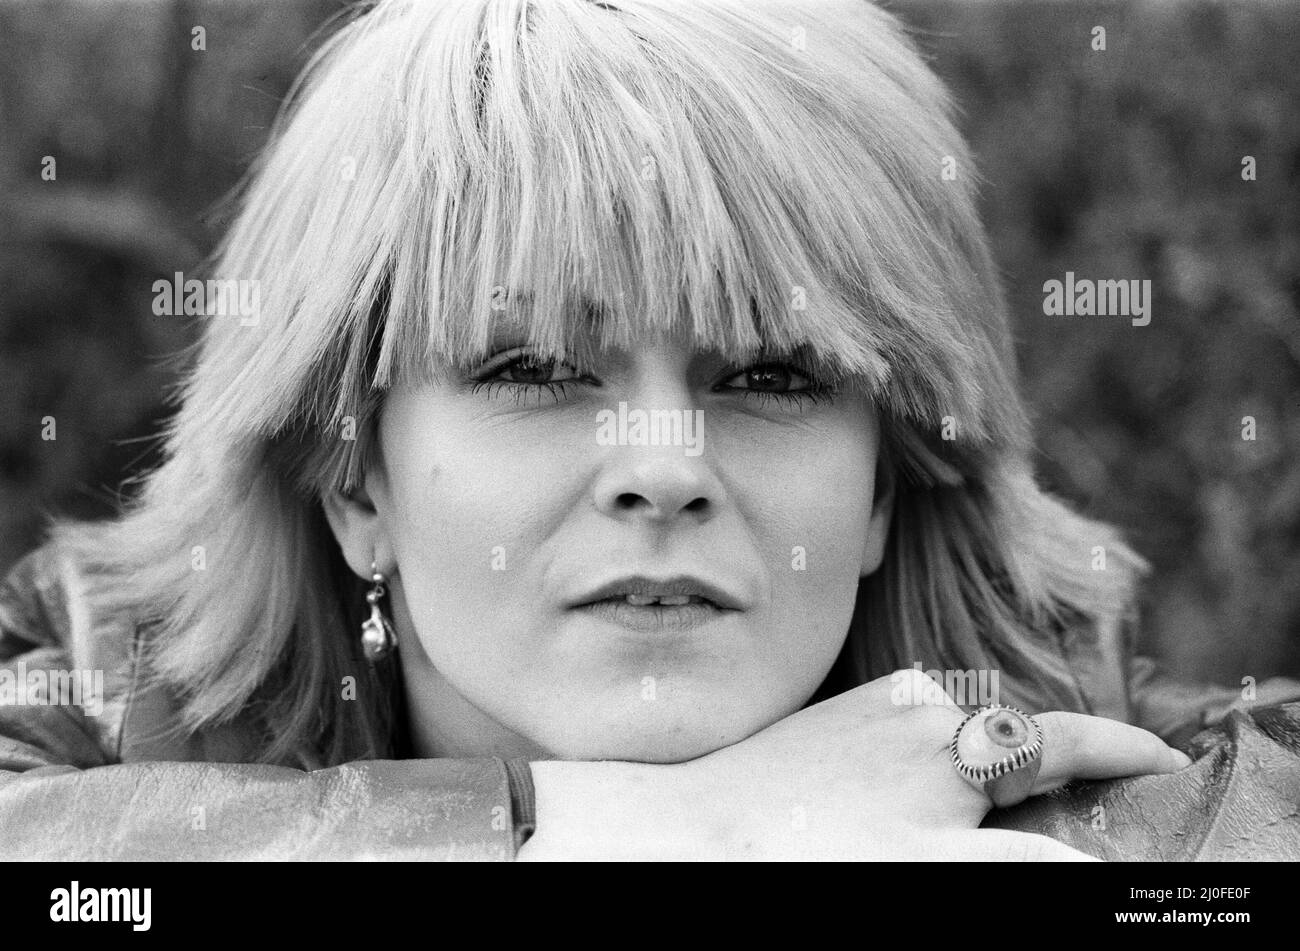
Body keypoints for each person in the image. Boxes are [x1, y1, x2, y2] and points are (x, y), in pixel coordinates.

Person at [2, 0, 1296, 861]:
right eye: (536, 366)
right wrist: (638, 825)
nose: (666, 466)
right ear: (355, 484)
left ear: (887, 488)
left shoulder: (1100, 740)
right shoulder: (80, 694)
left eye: (778, 377)